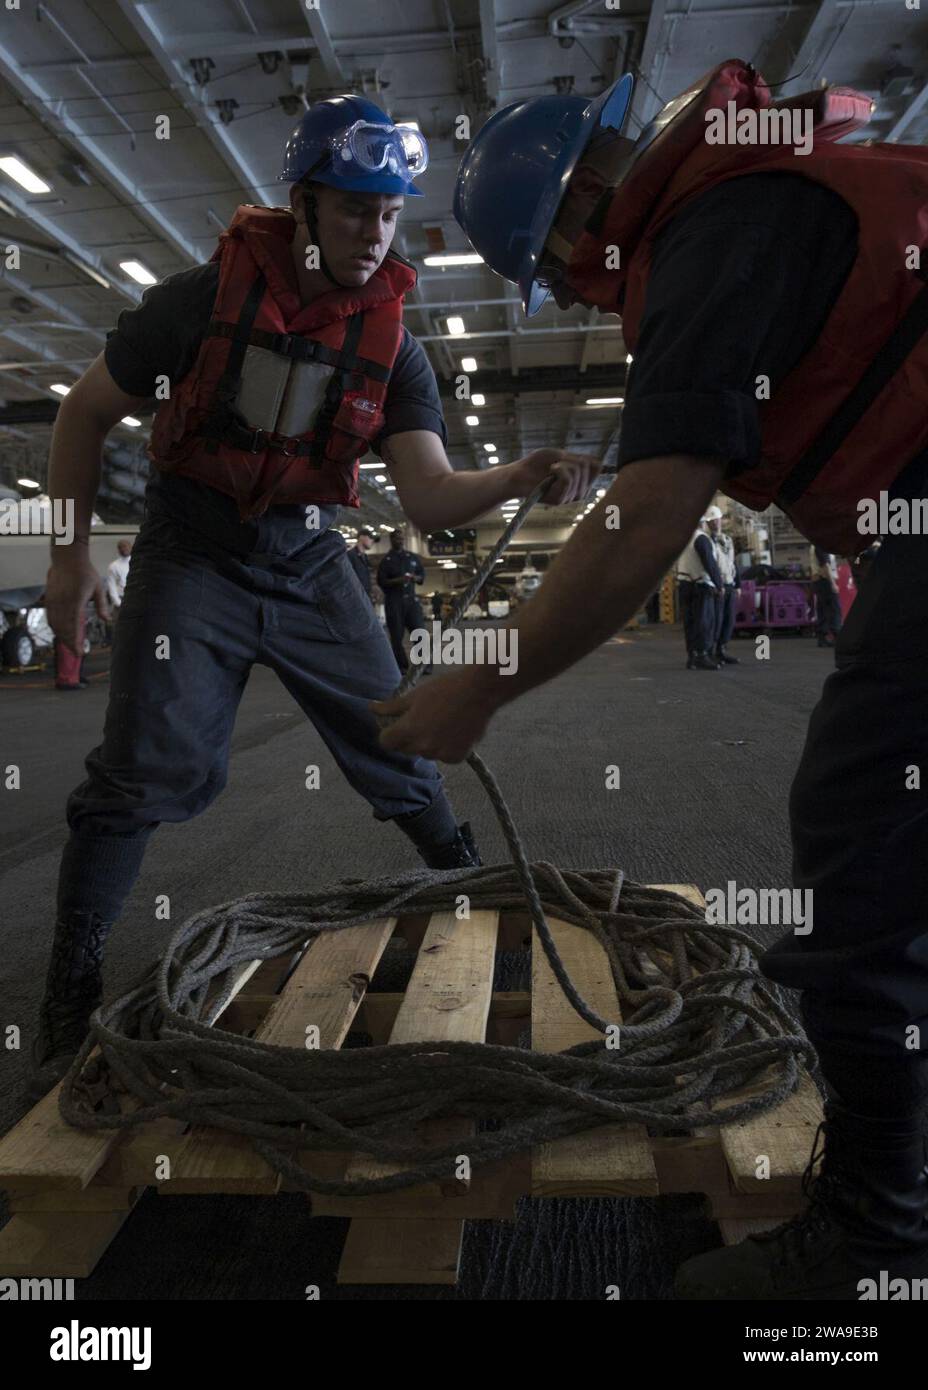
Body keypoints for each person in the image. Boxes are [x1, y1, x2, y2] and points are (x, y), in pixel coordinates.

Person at [376, 62, 928, 1299]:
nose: (582, 274)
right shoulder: (774, 188)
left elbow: (647, 514)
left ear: (576, 216)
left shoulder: (714, 228)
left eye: (569, 257)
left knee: (865, 859)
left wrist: (477, 684)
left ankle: (875, 1248)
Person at [35, 93, 600, 1096]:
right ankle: (68, 984)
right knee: (140, 772)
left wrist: (513, 474)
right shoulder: (197, 300)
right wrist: (70, 556)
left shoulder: (396, 344)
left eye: (388, 214)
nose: (371, 233)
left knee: (405, 736)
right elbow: (83, 413)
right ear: (303, 204)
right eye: (351, 210)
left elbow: (426, 494)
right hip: (189, 553)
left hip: (307, 558)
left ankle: (479, 902)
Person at [675, 514, 723, 670]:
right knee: (704, 622)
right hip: (700, 586)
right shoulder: (701, 539)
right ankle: (702, 655)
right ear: (703, 523)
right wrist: (719, 584)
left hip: (684, 584)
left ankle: (692, 657)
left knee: (690, 622)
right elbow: (710, 564)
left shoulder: (683, 537)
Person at [376, 528, 426, 671]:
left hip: (412, 602)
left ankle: (424, 665)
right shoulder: (386, 561)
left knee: (420, 633)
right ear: (392, 540)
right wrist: (399, 580)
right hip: (394, 603)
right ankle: (402, 667)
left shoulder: (412, 557)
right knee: (396, 638)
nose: (400, 541)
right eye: (397, 538)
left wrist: (415, 578)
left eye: (402, 538)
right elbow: (382, 582)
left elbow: (421, 575)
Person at [705, 505, 740, 664]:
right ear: (708, 523)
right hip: (717, 587)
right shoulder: (707, 541)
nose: (716, 523)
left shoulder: (727, 540)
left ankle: (722, 649)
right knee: (717, 620)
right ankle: (711, 650)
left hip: (730, 585)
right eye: (712, 521)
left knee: (729, 619)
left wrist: (738, 585)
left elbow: (733, 564)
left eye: (717, 520)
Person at [811, 544, 842, 648]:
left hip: (819, 581)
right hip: (825, 581)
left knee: (822, 610)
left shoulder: (815, 545)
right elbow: (825, 566)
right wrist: (833, 583)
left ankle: (822, 638)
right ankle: (838, 637)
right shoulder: (821, 546)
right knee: (834, 609)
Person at [346, 526, 376, 601]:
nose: (372, 541)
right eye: (370, 537)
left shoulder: (365, 557)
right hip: (355, 598)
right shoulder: (350, 556)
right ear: (362, 537)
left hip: (366, 596)